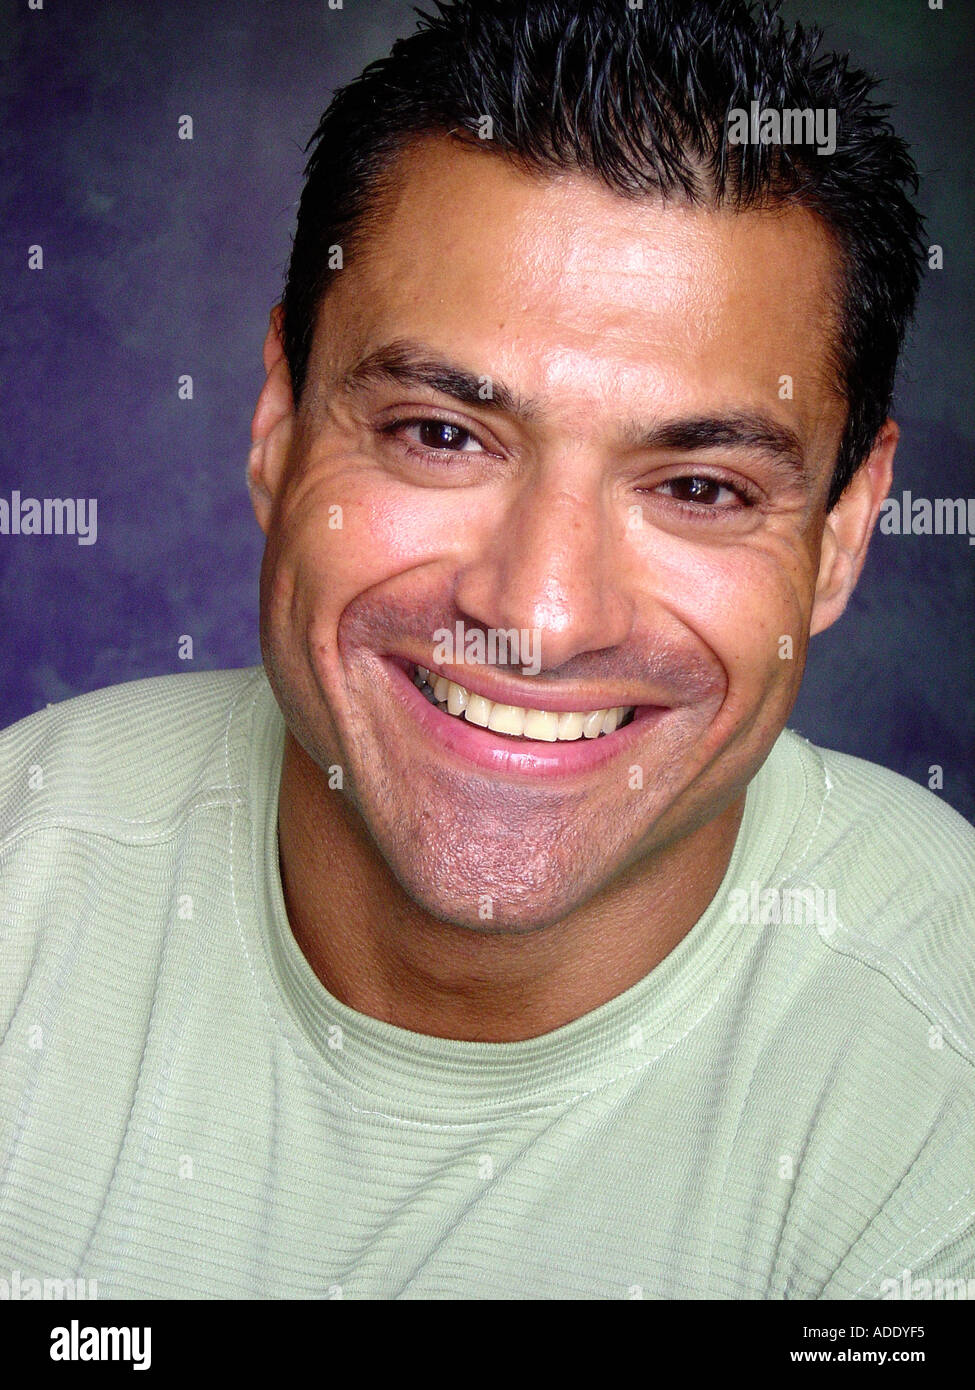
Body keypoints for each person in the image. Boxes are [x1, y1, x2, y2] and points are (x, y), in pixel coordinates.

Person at [1, 0, 972, 1301]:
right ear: (280, 426)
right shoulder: (24, 883)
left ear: (845, 530)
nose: (544, 611)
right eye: (440, 435)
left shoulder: (939, 1065)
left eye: (699, 487)